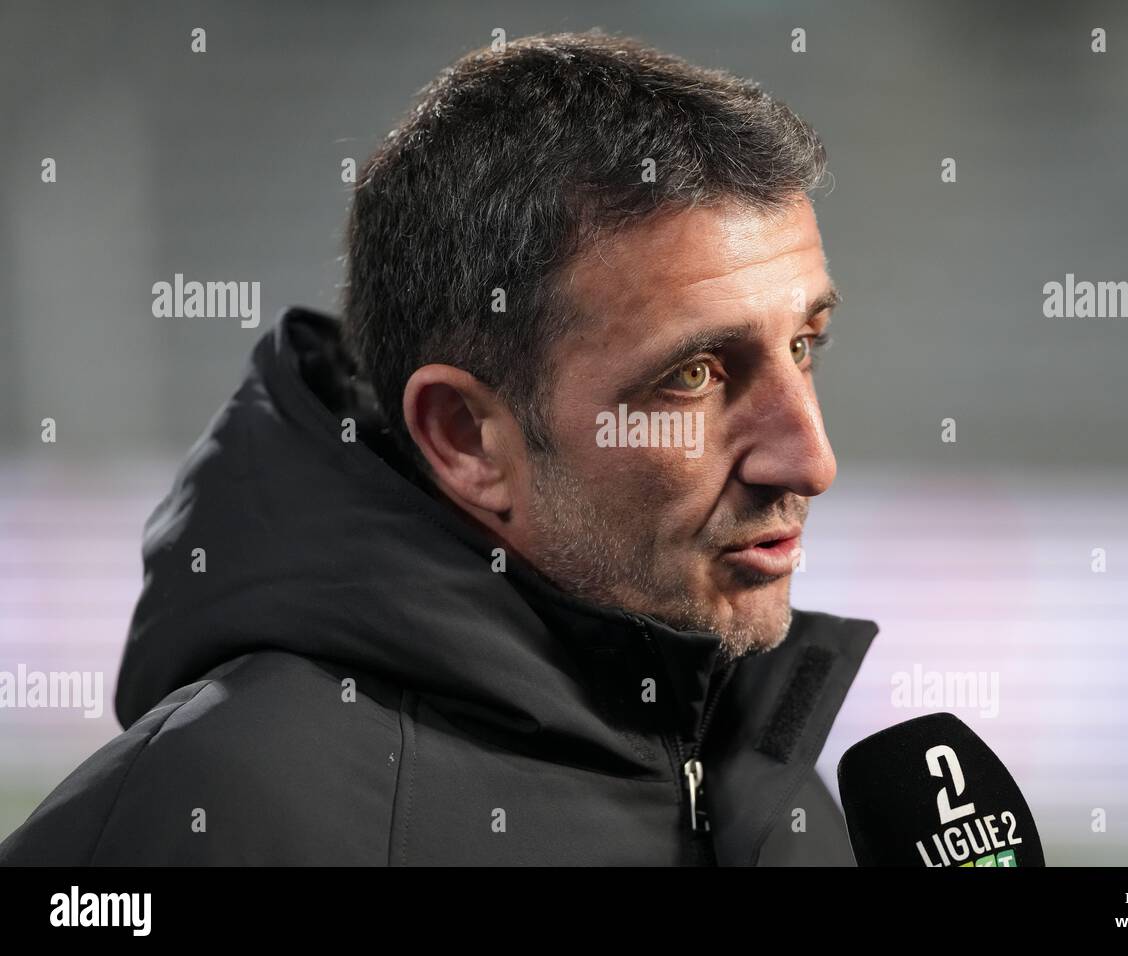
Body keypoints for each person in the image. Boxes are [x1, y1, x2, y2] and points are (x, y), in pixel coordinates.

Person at [0, 30, 877, 866]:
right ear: (467, 440)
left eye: (805, 344)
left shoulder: (769, 782)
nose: (810, 461)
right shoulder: (222, 813)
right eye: (693, 375)